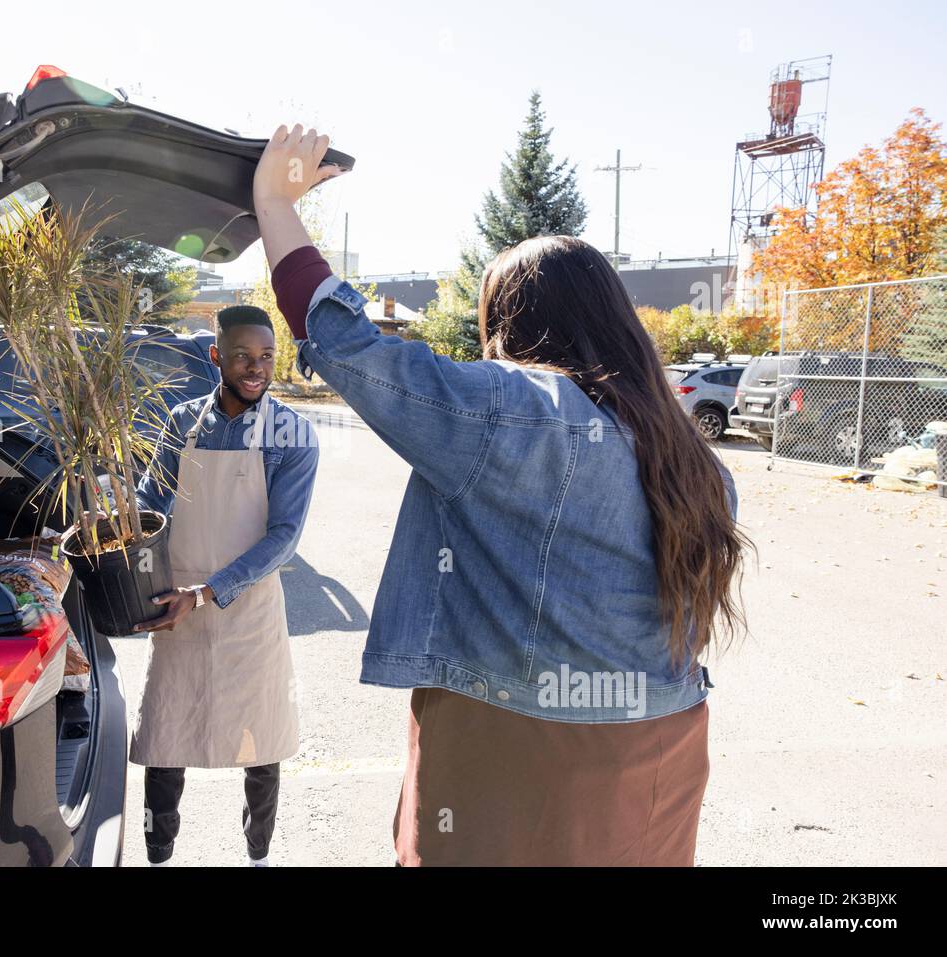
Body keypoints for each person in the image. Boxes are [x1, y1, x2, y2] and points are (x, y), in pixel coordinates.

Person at [250, 125, 749, 866]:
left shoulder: (512, 409)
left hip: (525, 752)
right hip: (662, 749)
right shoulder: (689, 454)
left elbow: (352, 348)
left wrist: (273, 202)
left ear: (512, 320)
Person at [129, 304, 319, 867]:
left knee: (261, 745)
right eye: (242, 356)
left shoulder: (292, 434)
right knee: (164, 740)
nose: (256, 368)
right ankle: (158, 855)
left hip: (248, 609)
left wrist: (208, 591)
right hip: (176, 609)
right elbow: (149, 504)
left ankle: (257, 857)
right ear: (217, 357)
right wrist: (115, 531)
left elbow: (284, 538)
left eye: (266, 356)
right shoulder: (181, 421)